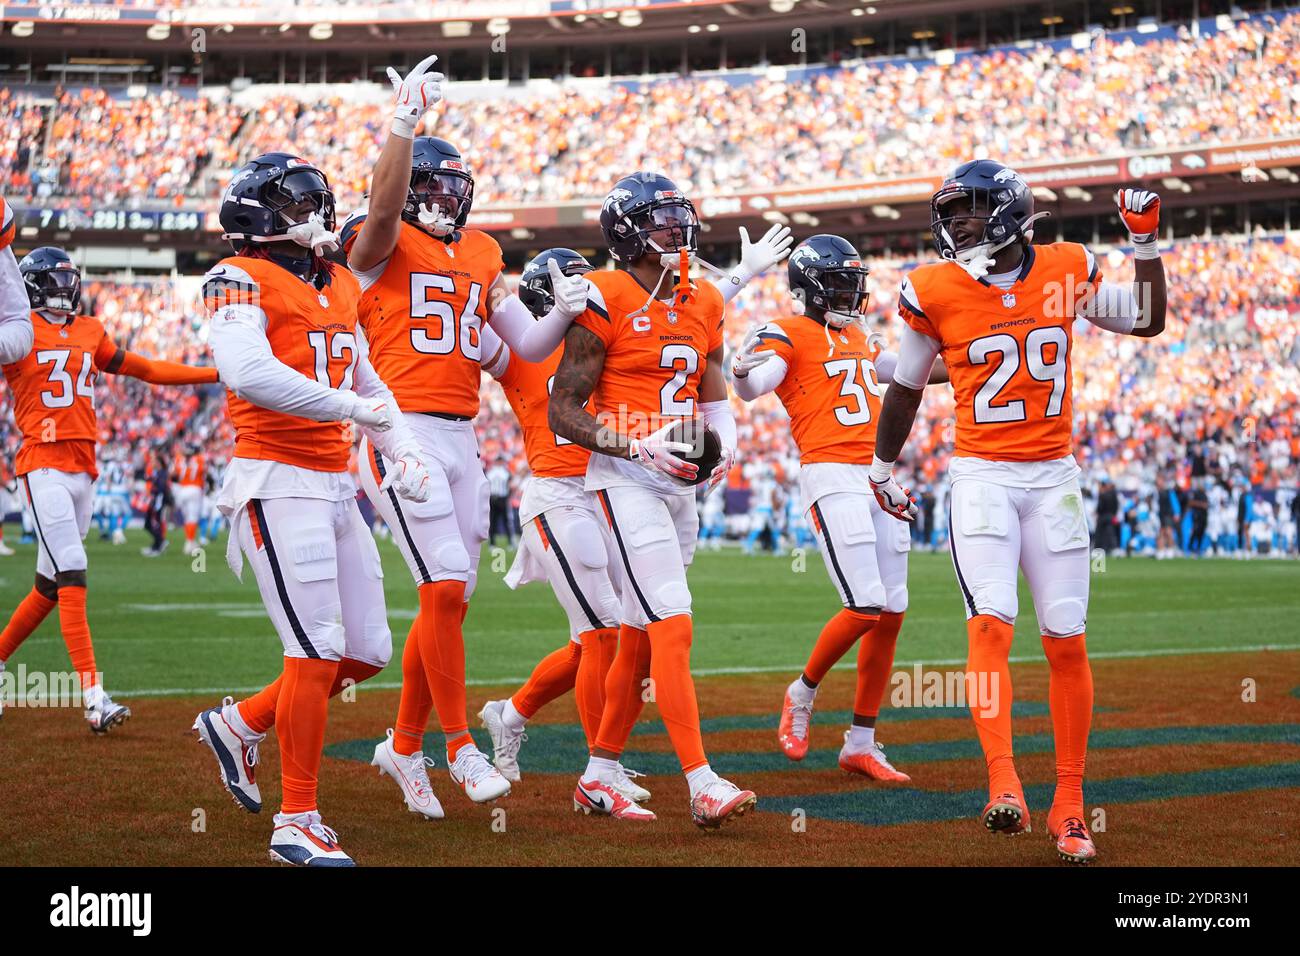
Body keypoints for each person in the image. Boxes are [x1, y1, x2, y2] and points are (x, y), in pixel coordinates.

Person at [868, 163, 1166, 864]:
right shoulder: (935, 287)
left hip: (1054, 477)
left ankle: (1069, 804)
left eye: (970, 211)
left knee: (1066, 638)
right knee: (991, 623)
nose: (958, 224)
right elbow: (907, 388)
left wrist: (1146, 246)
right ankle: (1003, 784)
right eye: (953, 212)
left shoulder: (1066, 267)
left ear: (1007, 212)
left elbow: (1147, 321)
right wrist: (881, 467)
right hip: (982, 476)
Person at [343, 57, 605, 813]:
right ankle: (458, 746)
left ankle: (401, 745)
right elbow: (383, 217)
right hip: (400, 431)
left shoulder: (485, 251)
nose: (445, 200)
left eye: (453, 188)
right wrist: (403, 123)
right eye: (431, 185)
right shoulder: (379, 238)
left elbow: (522, 347)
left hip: (462, 436)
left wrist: (564, 309)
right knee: (447, 583)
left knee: (449, 600)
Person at [191, 151, 430, 866]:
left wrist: (404, 446)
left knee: (366, 650)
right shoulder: (234, 277)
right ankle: (296, 821)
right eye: (300, 205)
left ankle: (239, 725)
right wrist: (353, 410)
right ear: (261, 214)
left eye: (316, 204)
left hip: (332, 482)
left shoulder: (337, 281)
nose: (317, 217)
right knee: (316, 647)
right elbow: (248, 372)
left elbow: (367, 375)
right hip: (276, 480)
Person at [548, 172, 790, 827]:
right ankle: (701, 782)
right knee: (673, 624)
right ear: (627, 232)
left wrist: (728, 434)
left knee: (640, 637)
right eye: (660, 222)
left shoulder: (702, 297)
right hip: (623, 480)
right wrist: (632, 446)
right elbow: (562, 408)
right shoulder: (604, 293)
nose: (676, 231)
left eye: (680, 219)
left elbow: (712, 388)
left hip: (680, 482)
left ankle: (598, 774)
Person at [731, 233, 947, 781]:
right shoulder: (790, 331)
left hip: (877, 473)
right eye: (840, 283)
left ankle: (861, 742)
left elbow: (906, 370)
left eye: (855, 282)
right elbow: (758, 384)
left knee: (892, 611)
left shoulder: (859, 335)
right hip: (830, 474)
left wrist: (966, 356)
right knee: (865, 603)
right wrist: (740, 371)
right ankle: (801, 692)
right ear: (810, 289)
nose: (852, 293)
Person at [0, 246, 217, 730]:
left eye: (67, 279)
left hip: (84, 467)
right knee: (73, 571)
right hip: (42, 463)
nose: (65, 288)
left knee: (48, 588)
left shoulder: (89, 331)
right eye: (54, 280)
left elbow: (146, 369)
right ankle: (95, 699)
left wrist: (216, 373)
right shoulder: (18, 331)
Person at [476, 248, 646, 803]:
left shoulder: (605, 341)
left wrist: (736, 280)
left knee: (592, 640)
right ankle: (602, 770)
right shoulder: (519, 350)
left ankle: (510, 712)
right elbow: (455, 331)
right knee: (603, 630)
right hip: (557, 497)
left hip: (607, 493)